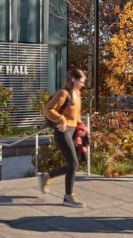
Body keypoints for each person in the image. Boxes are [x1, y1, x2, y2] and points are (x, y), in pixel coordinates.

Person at [39, 68, 86, 208]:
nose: (82, 84)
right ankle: (68, 197)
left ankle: (47, 177)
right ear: (73, 79)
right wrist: (61, 119)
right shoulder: (63, 93)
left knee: (76, 162)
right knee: (73, 163)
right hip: (63, 132)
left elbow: (76, 116)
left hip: (73, 131)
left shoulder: (77, 94)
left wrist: (81, 128)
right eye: (81, 82)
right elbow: (48, 109)